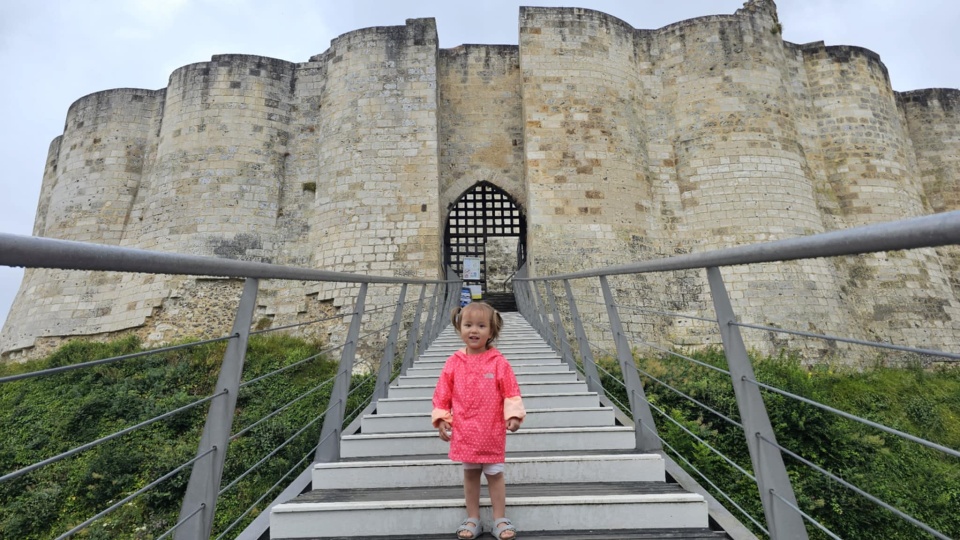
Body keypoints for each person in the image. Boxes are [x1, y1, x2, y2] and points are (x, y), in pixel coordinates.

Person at [432, 301, 526, 540]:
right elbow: (442, 392)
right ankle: (472, 517)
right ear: (459, 328)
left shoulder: (498, 362)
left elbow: (510, 391)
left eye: (481, 326)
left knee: (495, 475)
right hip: (465, 431)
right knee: (471, 475)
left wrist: (513, 415)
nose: (474, 330)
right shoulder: (453, 362)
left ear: (491, 332)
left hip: (491, 431)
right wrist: (442, 417)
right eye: (468, 325)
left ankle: (499, 519)